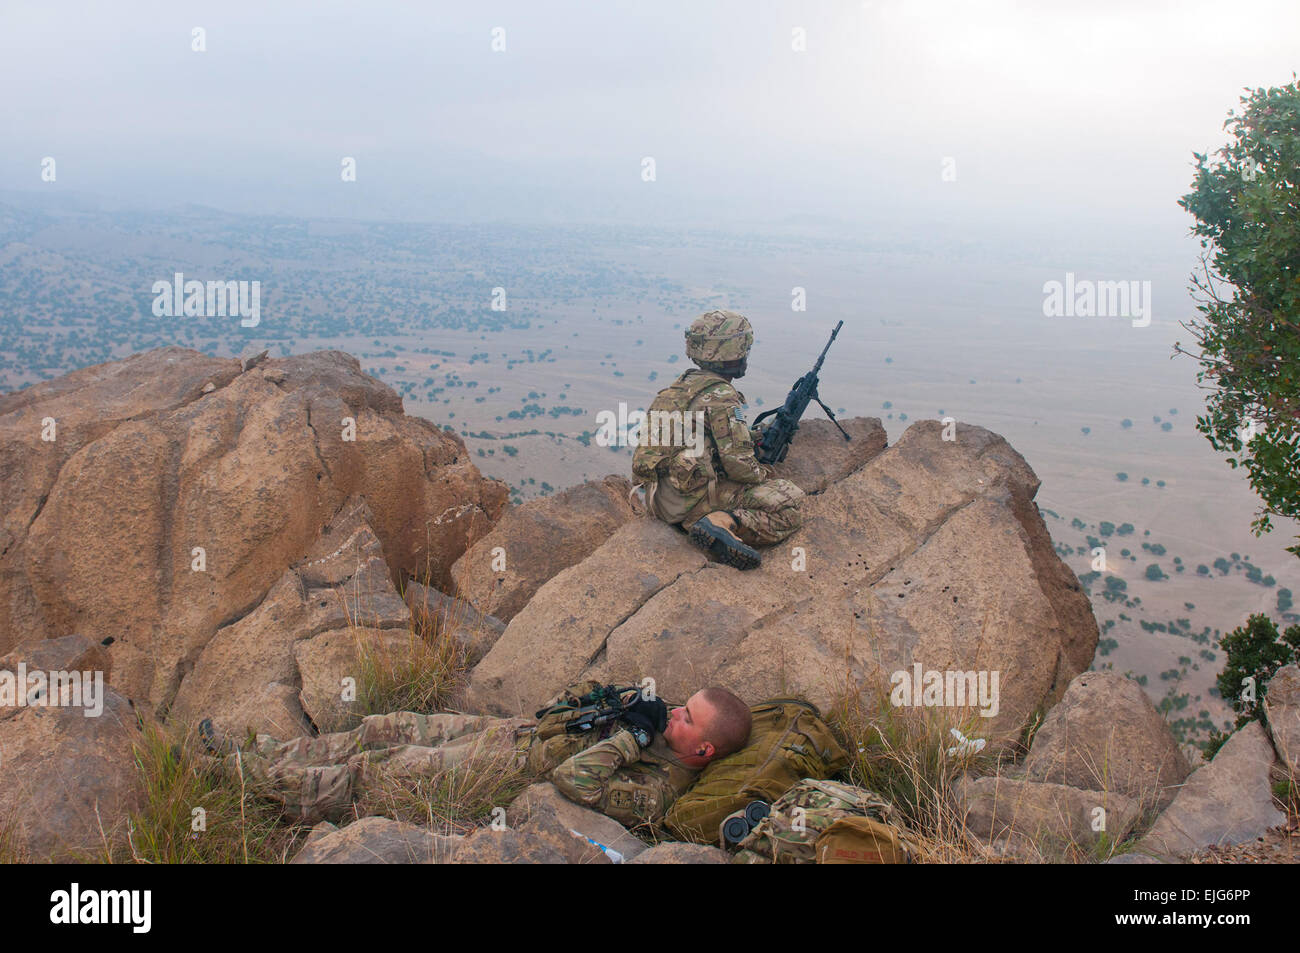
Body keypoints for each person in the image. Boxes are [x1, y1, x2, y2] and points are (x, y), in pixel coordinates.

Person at [200, 682, 751, 829]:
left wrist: (630, 737)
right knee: (383, 727)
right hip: (508, 733)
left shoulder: (660, 789)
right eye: (680, 706)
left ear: (703, 749)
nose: (674, 712)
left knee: (374, 772)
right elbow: (558, 710)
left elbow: (572, 781)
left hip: (501, 768)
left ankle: (240, 777)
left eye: (686, 718)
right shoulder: (657, 724)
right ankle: (268, 751)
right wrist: (612, 699)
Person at [632, 309, 804, 570]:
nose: (746, 355)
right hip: (691, 506)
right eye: (743, 347)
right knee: (788, 502)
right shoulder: (722, 395)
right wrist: (764, 473)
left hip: (660, 501)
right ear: (730, 351)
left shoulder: (679, 388)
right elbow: (740, 466)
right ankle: (719, 523)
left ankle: (707, 518)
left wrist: (753, 437)